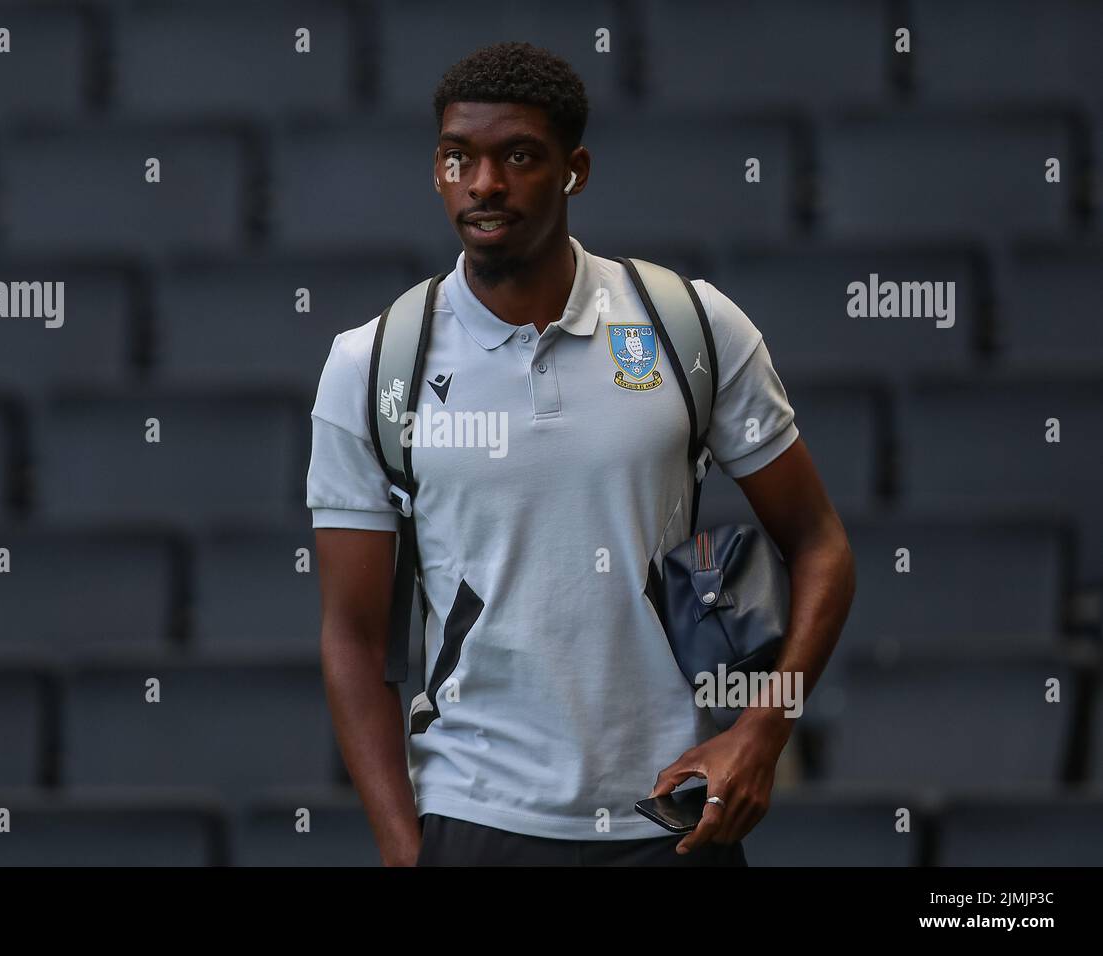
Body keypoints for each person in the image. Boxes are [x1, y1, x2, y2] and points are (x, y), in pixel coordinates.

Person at [307, 41, 855, 866]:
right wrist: (401, 847)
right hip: (475, 815)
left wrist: (762, 734)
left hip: (671, 814)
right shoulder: (373, 362)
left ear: (576, 169)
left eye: (518, 156)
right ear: (436, 169)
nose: (483, 184)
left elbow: (821, 547)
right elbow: (351, 639)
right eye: (459, 158)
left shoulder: (689, 325)